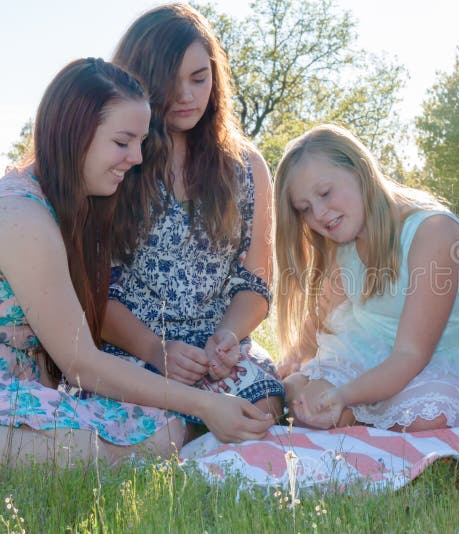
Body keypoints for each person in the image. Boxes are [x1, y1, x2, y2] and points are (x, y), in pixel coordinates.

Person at [0, 58, 272, 467]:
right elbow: (81, 364)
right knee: (147, 440)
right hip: (16, 398)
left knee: (162, 430)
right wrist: (205, 405)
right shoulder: (21, 216)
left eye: (141, 142)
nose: (137, 157)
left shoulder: (70, 205)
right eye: (123, 141)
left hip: (33, 395)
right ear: (74, 134)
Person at [103, 3, 283, 424]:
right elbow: (93, 291)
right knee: (150, 426)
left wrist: (228, 337)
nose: (187, 95)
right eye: (171, 82)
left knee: (261, 411)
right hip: (133, 347)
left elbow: (256, 284)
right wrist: (155, 351)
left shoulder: (247, 166)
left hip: (215, 351)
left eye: (200, 78)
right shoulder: (118, 158)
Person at [273, 125, 459, 431]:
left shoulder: (431, 232)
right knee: (298, 392)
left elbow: (411, 355)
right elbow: (325, 314)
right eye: (305, 209)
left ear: (361, 171)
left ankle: (350, 417)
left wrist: (342, 396)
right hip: (370, 348)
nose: (320, 214)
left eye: (325, 193)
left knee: (434, 412)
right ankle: (351, 415)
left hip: (433, 360)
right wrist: (298, 360)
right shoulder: (341, 237)